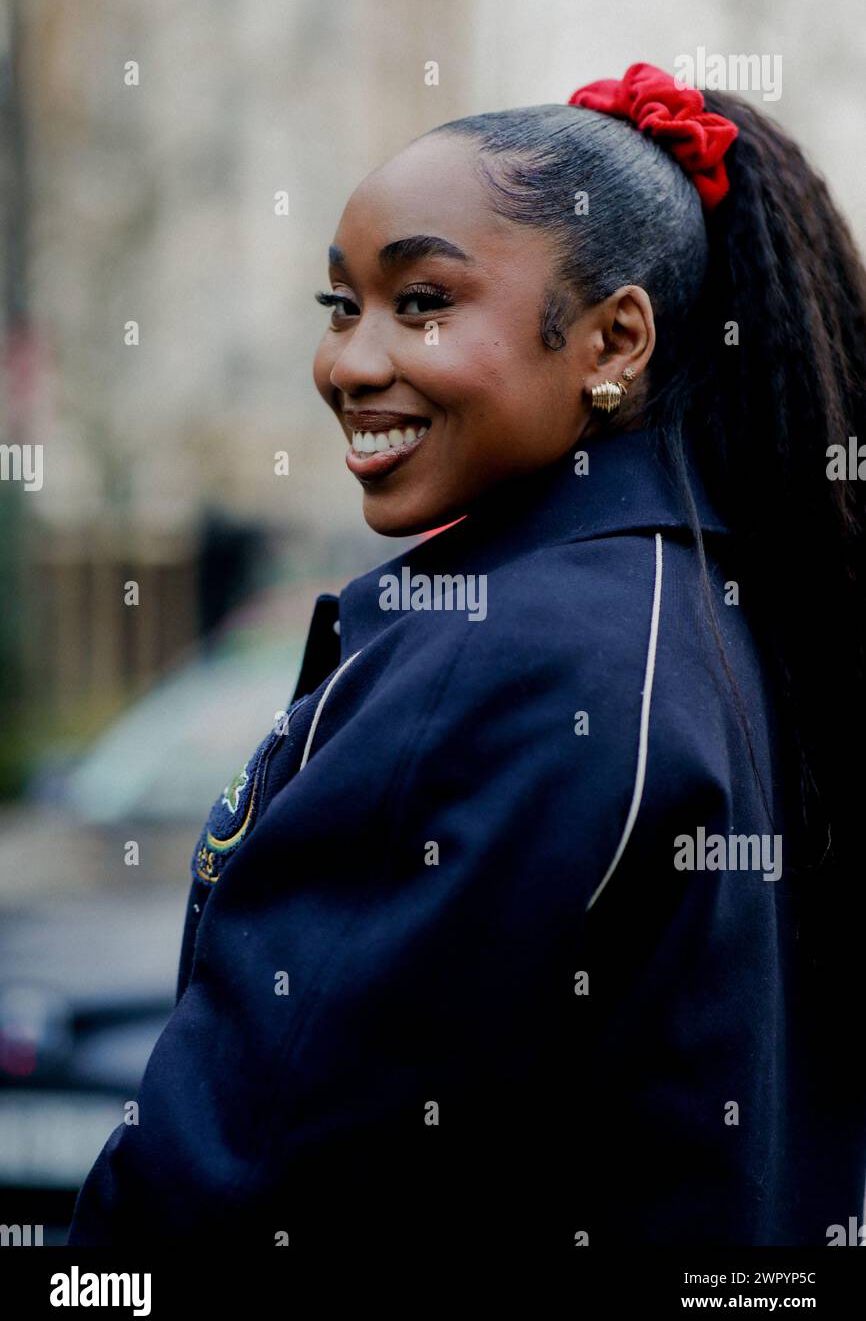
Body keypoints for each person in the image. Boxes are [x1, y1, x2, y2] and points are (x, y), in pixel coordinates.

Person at [68, 62, 866, 1253]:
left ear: (613, 339)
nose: (351, 363)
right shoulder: (712, 609)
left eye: (423, 300)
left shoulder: (513, 662)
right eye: (339, 306)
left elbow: (240, 1182)